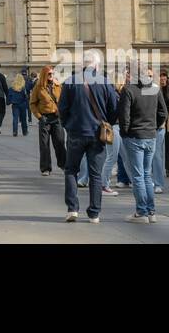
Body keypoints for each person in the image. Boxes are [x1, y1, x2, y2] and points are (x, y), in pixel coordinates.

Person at [59, 55, 118, 224]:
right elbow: (114, 109)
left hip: (76, 132)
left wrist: (67, 125)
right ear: (97, 66)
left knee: (71, 170)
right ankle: (94, 213)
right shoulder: (105, 82)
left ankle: (72, 208)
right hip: (97, 134)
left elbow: (62, 108)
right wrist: (107, 124)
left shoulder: (70, 81)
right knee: (95, 174)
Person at [118, 67, 167, 224]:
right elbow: (163, 113)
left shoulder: (128, 90)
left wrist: (125, 133)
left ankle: (141, 212)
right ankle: (151, 211)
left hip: (134, 135)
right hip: (150, 135)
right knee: (146, 175)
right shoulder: (154, 88)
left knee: (138, 176)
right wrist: (154, 126)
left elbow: (124, 116)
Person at [30, 65, 66, 176]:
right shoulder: (38, 87)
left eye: (52, 73)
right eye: (49, 74)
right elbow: (32, 104)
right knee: (44, 144)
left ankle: (64, 165)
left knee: (60, 143)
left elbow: (64, 101)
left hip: (56, 118)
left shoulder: (58, 86)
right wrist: (39, 117)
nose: (51, 75)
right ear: (45, 74)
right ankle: (46, 168)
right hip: (45, 118)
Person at [8, 71, 30, 137]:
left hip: (15, 105)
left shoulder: (12, 88)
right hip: (22, 104)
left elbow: (9, 96)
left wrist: (8, 102)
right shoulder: (23, 88)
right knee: (23, 119)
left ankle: (15, 131)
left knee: (15, 118)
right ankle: (25, 131)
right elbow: (25, 97)